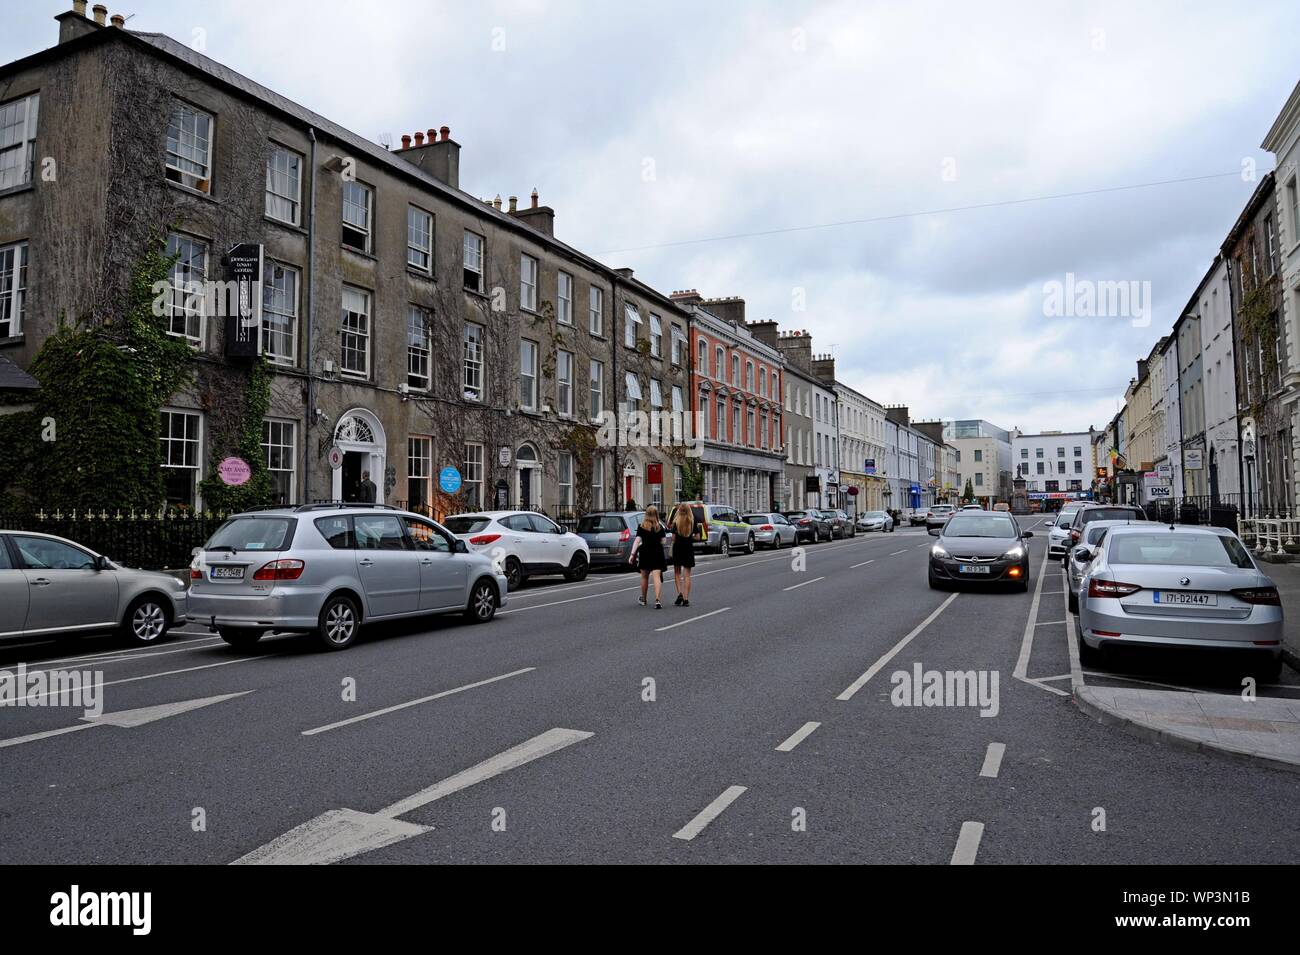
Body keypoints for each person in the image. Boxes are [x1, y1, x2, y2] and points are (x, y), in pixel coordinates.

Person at [628, 504, 668, 609]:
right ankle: (658, 600)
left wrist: (632, 554)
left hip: (645, 553)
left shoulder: (641, 526)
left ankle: (644, 599)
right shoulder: (659, 527)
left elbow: (637, 541)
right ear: (656, 515)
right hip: (657, 553)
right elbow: (664, 541)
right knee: (656, 577)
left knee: (644, 577)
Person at [670, 505, 696, 607]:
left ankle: (680, 593)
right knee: (687, 575)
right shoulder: (692, 521)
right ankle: (686, 599)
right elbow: (697, 536)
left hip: (678, 549)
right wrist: (690, 537)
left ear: (679, 511)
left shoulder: (675, 522)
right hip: (688, 549)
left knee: (677, 573)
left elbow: (673, 538)